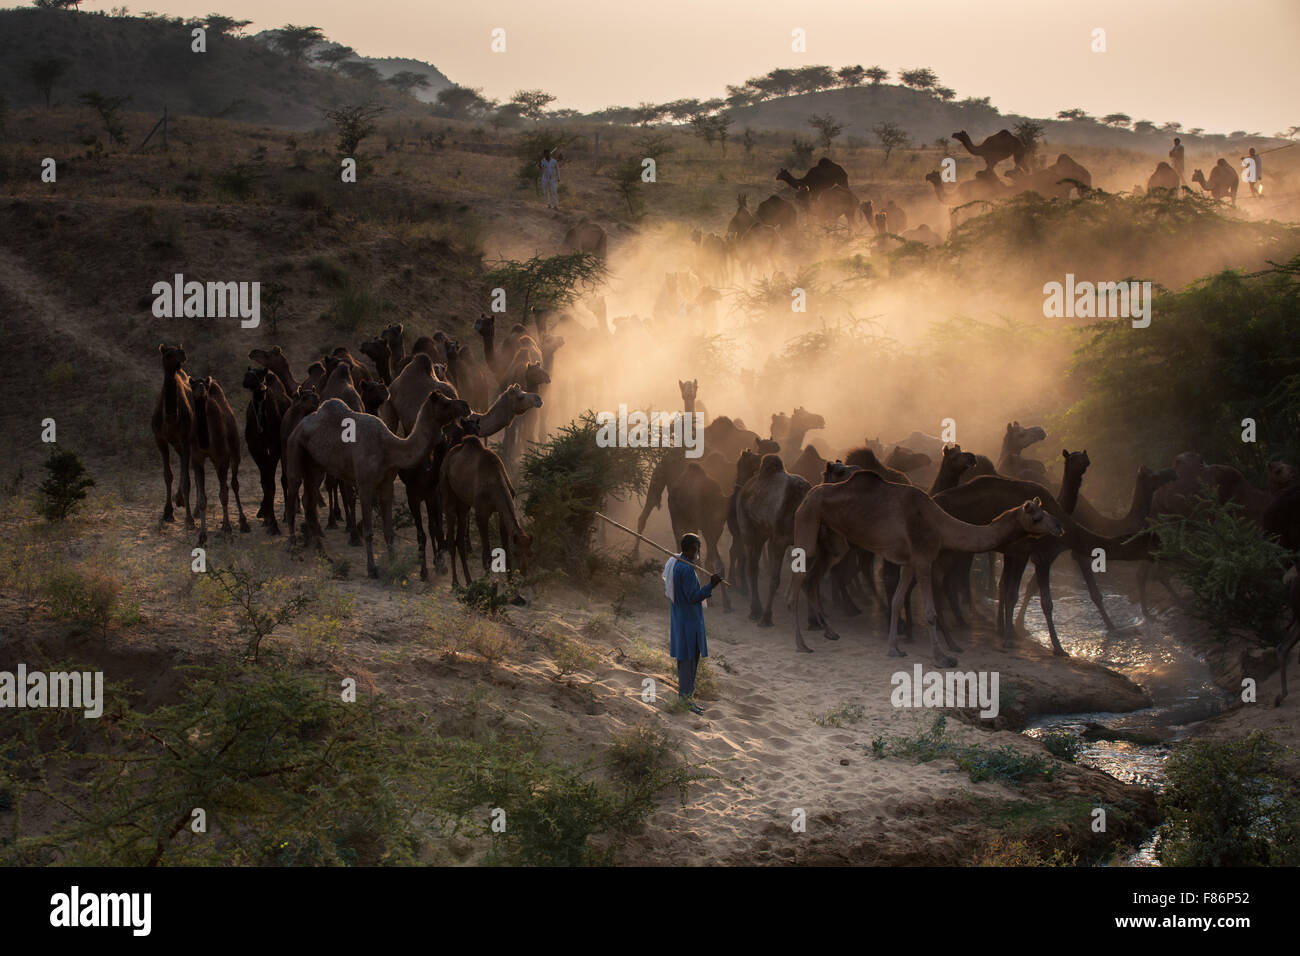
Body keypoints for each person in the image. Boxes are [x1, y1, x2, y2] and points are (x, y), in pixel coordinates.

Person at [664, 533, 722, 715]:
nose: (699, 552)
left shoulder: (677, 562)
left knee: (686, 661)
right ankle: (686, 700)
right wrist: (710, 586)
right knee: (689, 662)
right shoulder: (686, 569)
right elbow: (693, 596)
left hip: (681, 619)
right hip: (689, 621)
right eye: (697, 548)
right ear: (690, 549)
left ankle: (686, 698)